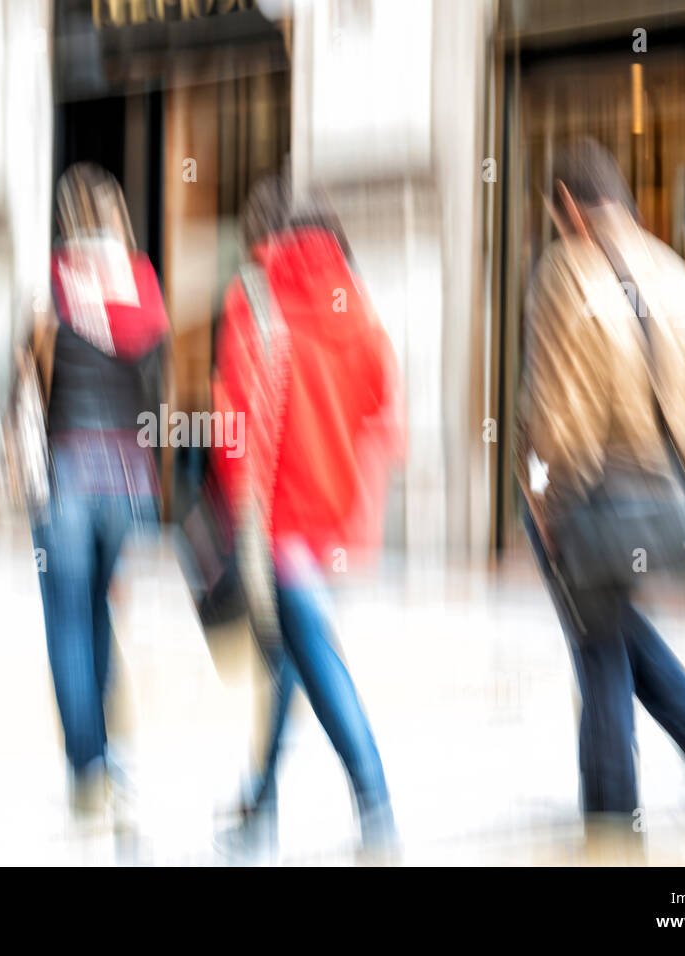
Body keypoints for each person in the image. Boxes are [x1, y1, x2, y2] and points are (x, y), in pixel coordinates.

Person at [520, 138, 685, 864]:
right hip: (666, 502)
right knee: (613, 632)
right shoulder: (673, 270)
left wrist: (540, 505)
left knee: (600, 653)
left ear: (568, 205)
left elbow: (552, 419)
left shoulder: (566, 270)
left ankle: (614, 832)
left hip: (592, 498)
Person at [212, 177, 403, 862]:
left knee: (313, 660)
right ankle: (258, 802)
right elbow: (382, 399)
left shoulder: (256, 297)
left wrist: (239, 502)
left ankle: (375, 803)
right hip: (335, 525)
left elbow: (234, 421)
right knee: (290, 662)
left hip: (279, 522)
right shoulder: (352, 300)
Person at [33, 163, 170, 819]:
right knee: (99, 615)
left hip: (66, 471)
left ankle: (88, 766)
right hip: (127, 475)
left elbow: (31, 379)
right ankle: (107, 754)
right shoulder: (141, 281)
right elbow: (156, 386)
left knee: (67, 621)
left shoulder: (53, 280)